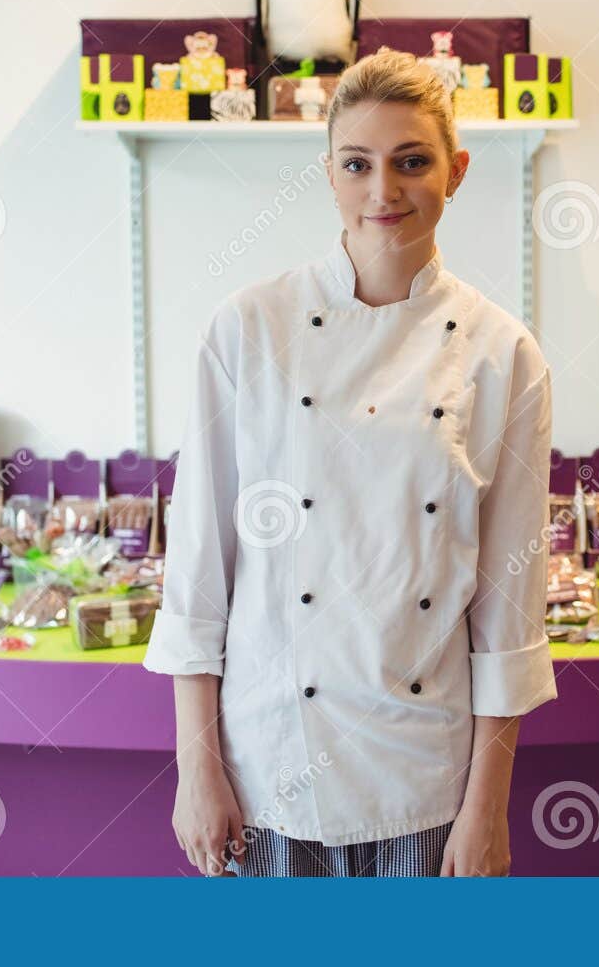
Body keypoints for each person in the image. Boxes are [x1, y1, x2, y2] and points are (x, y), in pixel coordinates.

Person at [144, 48, 557, 877]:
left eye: (412, 162)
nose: (384, 191)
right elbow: (198, 573)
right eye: (358, 164)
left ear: (457, 170)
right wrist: (198, 767)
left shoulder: (502, 353)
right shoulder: (247, 331)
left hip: (425, 784)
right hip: (268, 768)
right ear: (327, 173)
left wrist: (488, 806)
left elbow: (510, 612)